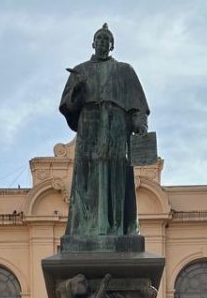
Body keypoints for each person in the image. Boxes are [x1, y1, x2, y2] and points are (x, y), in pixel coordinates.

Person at [60, 24, 149, 239]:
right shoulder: (80, 70)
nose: (101, 42)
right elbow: (67, 105)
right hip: (89, 125)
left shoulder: (125, 70)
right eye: (98, 39)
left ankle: (118, 228)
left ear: (112, 45)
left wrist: (140, 123)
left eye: (105, 39)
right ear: (92, 43)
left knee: (118, 174)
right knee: (87, 178)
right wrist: (78, 90)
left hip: (116, 125)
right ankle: (85, 229)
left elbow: (138, 105)